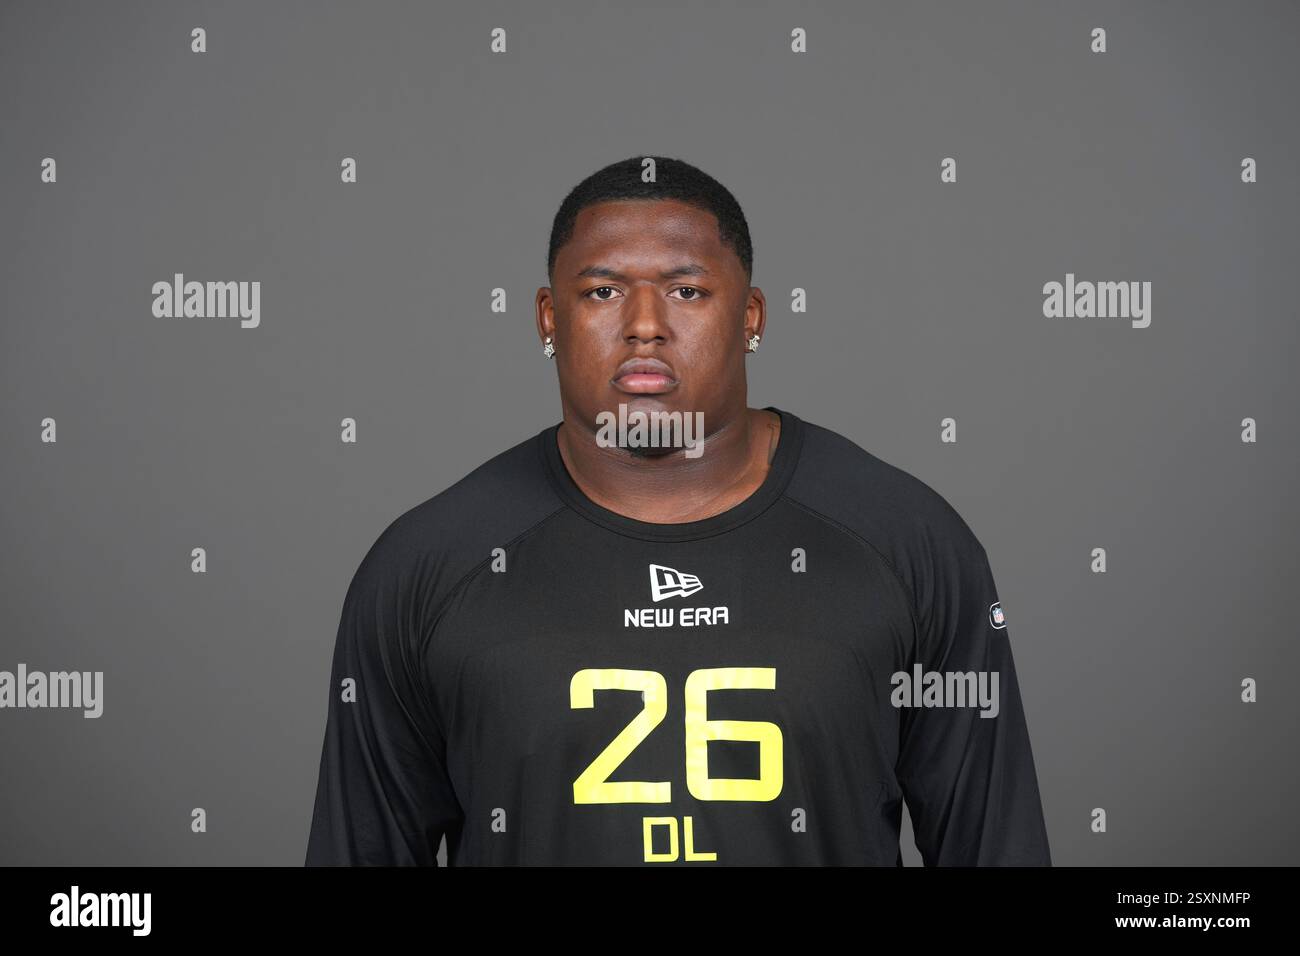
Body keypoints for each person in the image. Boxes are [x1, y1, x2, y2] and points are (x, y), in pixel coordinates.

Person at [304, 155, 1051, 866]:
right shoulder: (426, 569)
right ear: (546, 319)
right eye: (601, 291)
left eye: (688, 290)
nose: (645, 325)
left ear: (752, 315)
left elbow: (997, 848)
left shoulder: (908, 543)